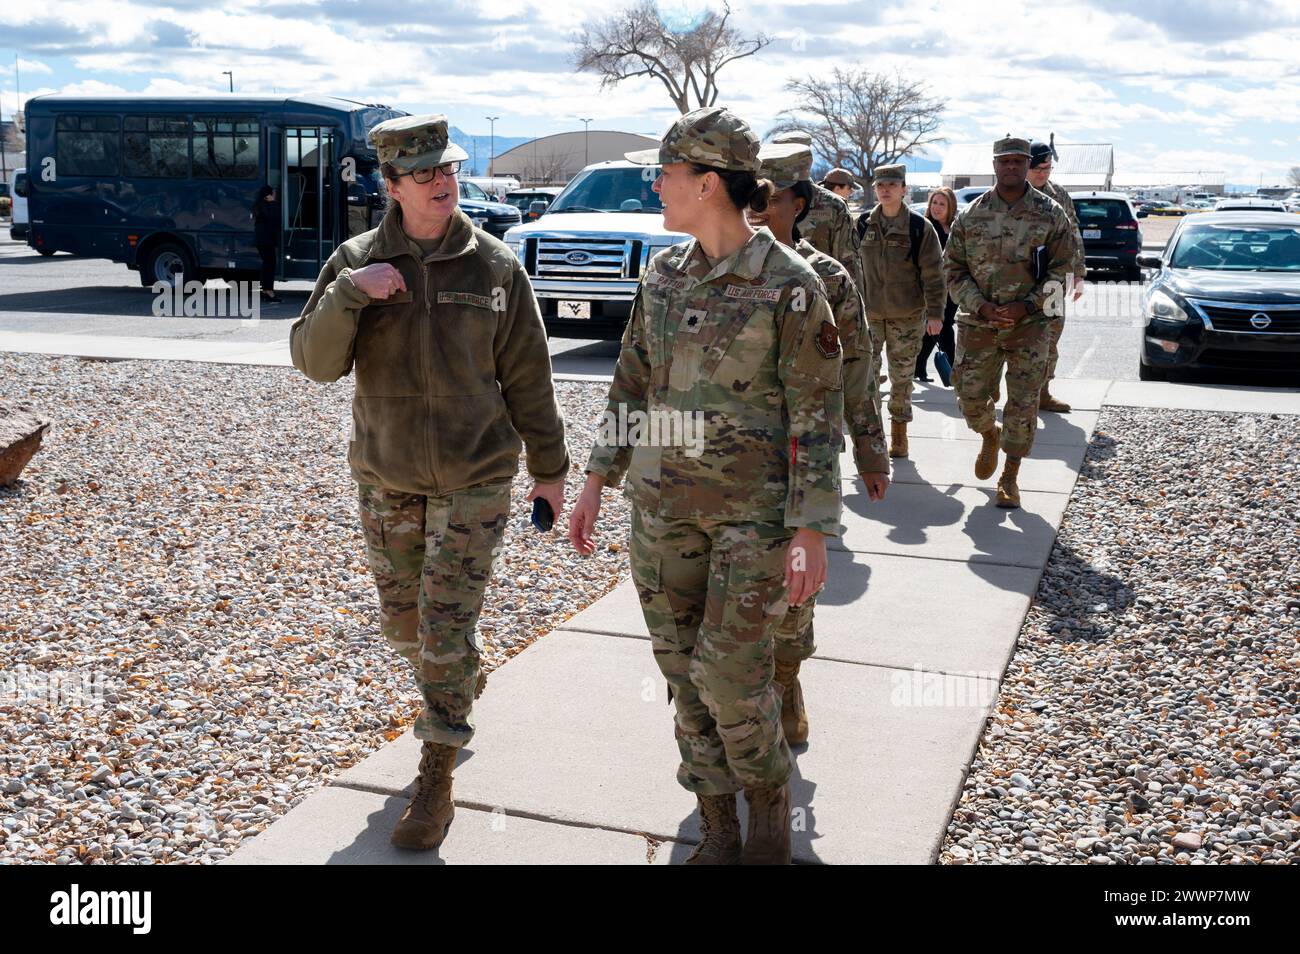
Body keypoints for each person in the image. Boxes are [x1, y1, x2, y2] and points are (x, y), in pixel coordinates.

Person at [568, 106, 844, 865]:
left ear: (710, 183)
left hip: (753, 518)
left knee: (731, 674)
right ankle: (715, 823)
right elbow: (631, 381)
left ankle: (767, 810)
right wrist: (597, 477)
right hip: (661, 511)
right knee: (683, 676)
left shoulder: (790, 286)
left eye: (667, 173)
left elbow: (818, 415)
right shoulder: (662, 273)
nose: (655, 184)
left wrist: (812, 529)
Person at [288, 114, 569, 850]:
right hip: (387, 479)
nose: (444, 183)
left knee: (444, 628)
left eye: (448, 169)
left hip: (475, 477)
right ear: (391, 185)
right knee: (405, 625)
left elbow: (529, 377)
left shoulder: (495, 267)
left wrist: (550, 470)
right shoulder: (354, 261)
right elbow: (313, 363)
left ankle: (436, 776)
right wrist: (351, 294)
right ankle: (456, 685)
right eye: (425, 174)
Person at [749, 141, 889, 746]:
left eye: (769, 199)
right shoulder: (714, 269)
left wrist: (870, 448)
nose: (756, 209)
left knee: (796, 581)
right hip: (726, 466)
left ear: (798, 205)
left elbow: (857, 368)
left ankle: (787, 678)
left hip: (802, 456)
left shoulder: (827, 278)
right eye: (749, 196)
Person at [943, 136, 1076, 509]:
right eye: (1005, 161)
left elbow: (1062, 267)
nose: (1012, 167)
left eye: (1019, 161)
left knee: (1022, 404)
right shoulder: (971, 215)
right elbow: (953, 269)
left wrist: (1028, 305)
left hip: (1030, 326)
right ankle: (988, 434)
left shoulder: (1050, 213)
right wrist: (981, 306)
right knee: (969, 399)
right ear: (995, 165)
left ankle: (1010, 476)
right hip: (978, 325)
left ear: (1026, 163)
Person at [855, 164, 945, 458]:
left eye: (892, 185)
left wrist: (935, 314)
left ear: (904, 189)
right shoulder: (862, 224)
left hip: (906, 315)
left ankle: (899, 432)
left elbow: (933, 274)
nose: (885, 190)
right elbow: (852, 269)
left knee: (902, 377)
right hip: (869, 315)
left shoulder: (919, 227)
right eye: (881, 185)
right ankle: (871, 435)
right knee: (866, 376)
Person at [1026, 138, 1087, 413]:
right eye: (1037, 168)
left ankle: (1043, 392)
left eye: (1047, 168)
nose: (1042, 173)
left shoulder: (1060, 196)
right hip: (1015, 280)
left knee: (1050, 337)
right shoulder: (1012, 195)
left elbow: (1074, 234)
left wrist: (1078, 273)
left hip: (1052, 281)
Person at [770, 133, 859, 277]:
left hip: (822, 294)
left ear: (808, 160)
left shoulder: (834, 205)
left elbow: (849, 267)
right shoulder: (757, 203)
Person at [914, 187, 959, 385]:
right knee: (944, 326)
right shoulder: (924, 227)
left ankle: (919, 365)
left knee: (937, 328)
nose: (937, 207)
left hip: (952, 287)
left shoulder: (956, 228)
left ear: (951, 207)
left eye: (942, 204)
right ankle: (953, 372)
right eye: (934, 203)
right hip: (931, 287)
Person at [252, 185, 281, 303]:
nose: (274, 195)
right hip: (266, 241)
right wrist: (273, 202)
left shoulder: (259, 206)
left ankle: (265, 291)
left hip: (263, 241)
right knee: (270, 265)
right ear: (267, 195)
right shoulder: (265, 207)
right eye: (272, 194)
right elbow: (274, 218)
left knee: (266, 265)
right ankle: (269, 291)